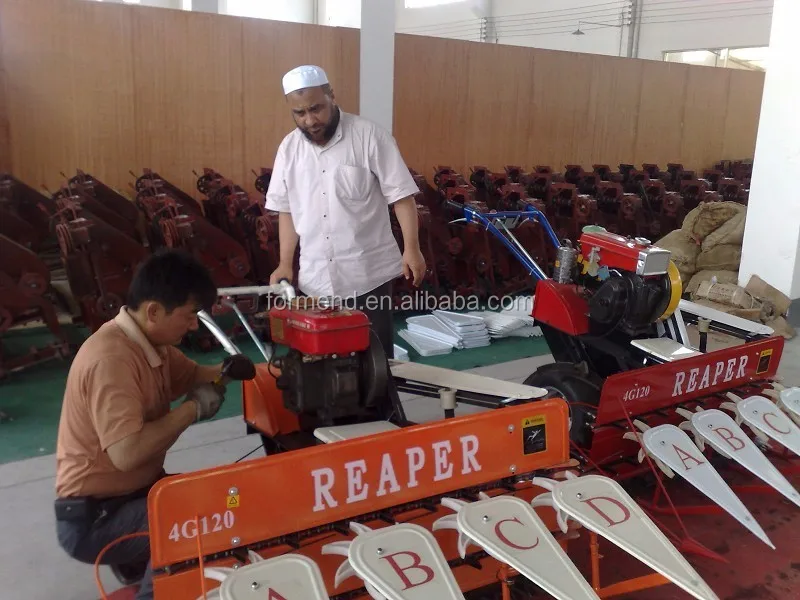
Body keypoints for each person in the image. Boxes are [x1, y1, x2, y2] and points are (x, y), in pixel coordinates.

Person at [53, 249, 227, 600]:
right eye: (189, 316)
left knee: (217, 496)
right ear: (153, 311)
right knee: (201, 524)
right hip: (96, 517)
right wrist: (192, 410)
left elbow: (194, 375)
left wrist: (237, 371)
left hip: (129, 495)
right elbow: (127, 453)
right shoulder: (112, 359)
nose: (194, 325)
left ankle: (144, 563)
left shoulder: (151, 343)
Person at [265, 64, 426, 358]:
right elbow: (287, 210)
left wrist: (411, 249)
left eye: (316, 108)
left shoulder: (369, 136)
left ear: (331, 96)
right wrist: (285, 263)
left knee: (375, 363)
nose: (310, 120)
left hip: (368, 277)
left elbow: (401, 196)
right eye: (300, 113)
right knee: (322, 364)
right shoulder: (289, 149)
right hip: (315, 280)